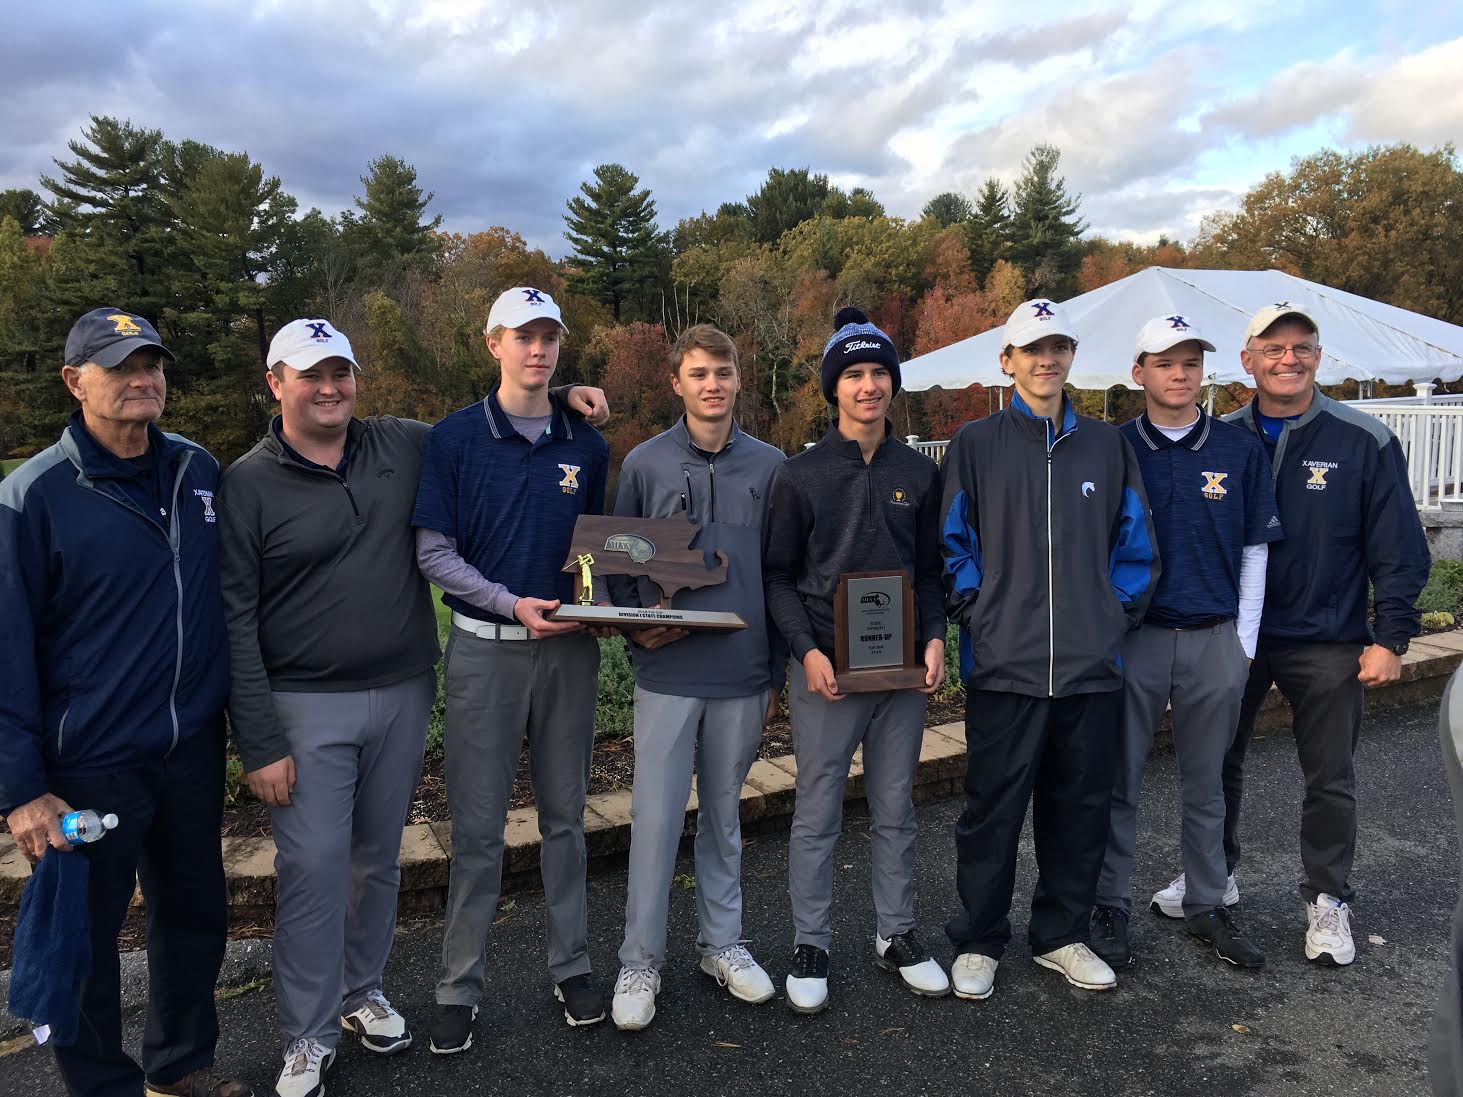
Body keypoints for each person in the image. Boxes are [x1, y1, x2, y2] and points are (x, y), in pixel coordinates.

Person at [0, 308, 251, 1097]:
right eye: (119, 366)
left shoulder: (198, 471)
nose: (142, 378)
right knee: (85, 939)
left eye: (151, 364)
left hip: (187, 749)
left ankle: (177, 1071)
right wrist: (20, 789)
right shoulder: (33, 495)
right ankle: (104, 1086)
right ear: (75, 381)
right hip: (88, 763)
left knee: (194, 918)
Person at [1166, 302, 1429, 966]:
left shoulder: (1361, 439)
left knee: (1328, 776)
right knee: (1214, 760)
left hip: (1327, 637)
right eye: (1272, 348)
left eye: (1301, 347)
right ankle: (1211, 875)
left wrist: (1389, 637)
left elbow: (1398, 546)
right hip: (1235, 633)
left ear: (1317, 357)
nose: (1288, 359)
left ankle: (1327, 899)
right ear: (1246, 360)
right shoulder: (1215, 436)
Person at [939, 297, 1159, 1000]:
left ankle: (1060, 933)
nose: (1047, 358)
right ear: (1006, 360)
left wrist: (1106, 620)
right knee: (990, 813)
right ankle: (978, 937)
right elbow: (951, 545)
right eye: (1032, 348)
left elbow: (1136, 548)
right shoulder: (974, 442)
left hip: (1089, 670)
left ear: (1070, 357)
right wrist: (982, 617)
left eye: (1058, 346)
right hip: (1004, 667)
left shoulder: (1106, 444)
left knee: (1079, 808)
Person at [413, 287, 611, 1049]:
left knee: (566, 818)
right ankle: (459, 984)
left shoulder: (586, 443)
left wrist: (607, 606)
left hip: (567, 652)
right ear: (491, 342)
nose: (537, 348)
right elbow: (434, 552)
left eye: (549, 337)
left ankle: (572, 966)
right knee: (477, 830)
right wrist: (506, 599)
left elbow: (592, 549)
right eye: (521, 336)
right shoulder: (455, 438)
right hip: (483, 653)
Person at [763, 306, 950, 1015]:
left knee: (896, 808)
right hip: (827, 676)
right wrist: (805, 651)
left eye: (878, 373)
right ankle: (810, 942)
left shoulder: (917, 472)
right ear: (833, 388)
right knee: (816, 813)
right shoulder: (799, 475)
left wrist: (933, 637)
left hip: (900, 674)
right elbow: (776, 575)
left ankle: (895, 932)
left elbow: (930, 572)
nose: (867, 385)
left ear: (891, 385)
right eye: (854, 374)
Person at [606, 324, 786, 1031]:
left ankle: (722, 943)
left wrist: (776, 667)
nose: (713, 383)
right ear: (676, 383)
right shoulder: (645, 464)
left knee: (723, 819)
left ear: (739, 380)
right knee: (653, 820)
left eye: (724, 372)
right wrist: (631, 627)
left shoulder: (772, 466)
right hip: (668, 673)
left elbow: (780, 572)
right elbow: (613, 564)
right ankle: (639, 958)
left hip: (742, 674)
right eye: (699, 373)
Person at [1090, 315, 1281, 972]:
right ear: (1137, 372)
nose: (1178, 373)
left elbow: (1255, 547)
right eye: (1163, 362)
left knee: (1207, 784)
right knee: (1117, 779)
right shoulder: (1111, 449)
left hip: (1212, 639)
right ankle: (1109, 901)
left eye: (1189, 361)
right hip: (1132, 640)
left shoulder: (1236, 449)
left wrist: (1243, 643)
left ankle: (1204, 902)